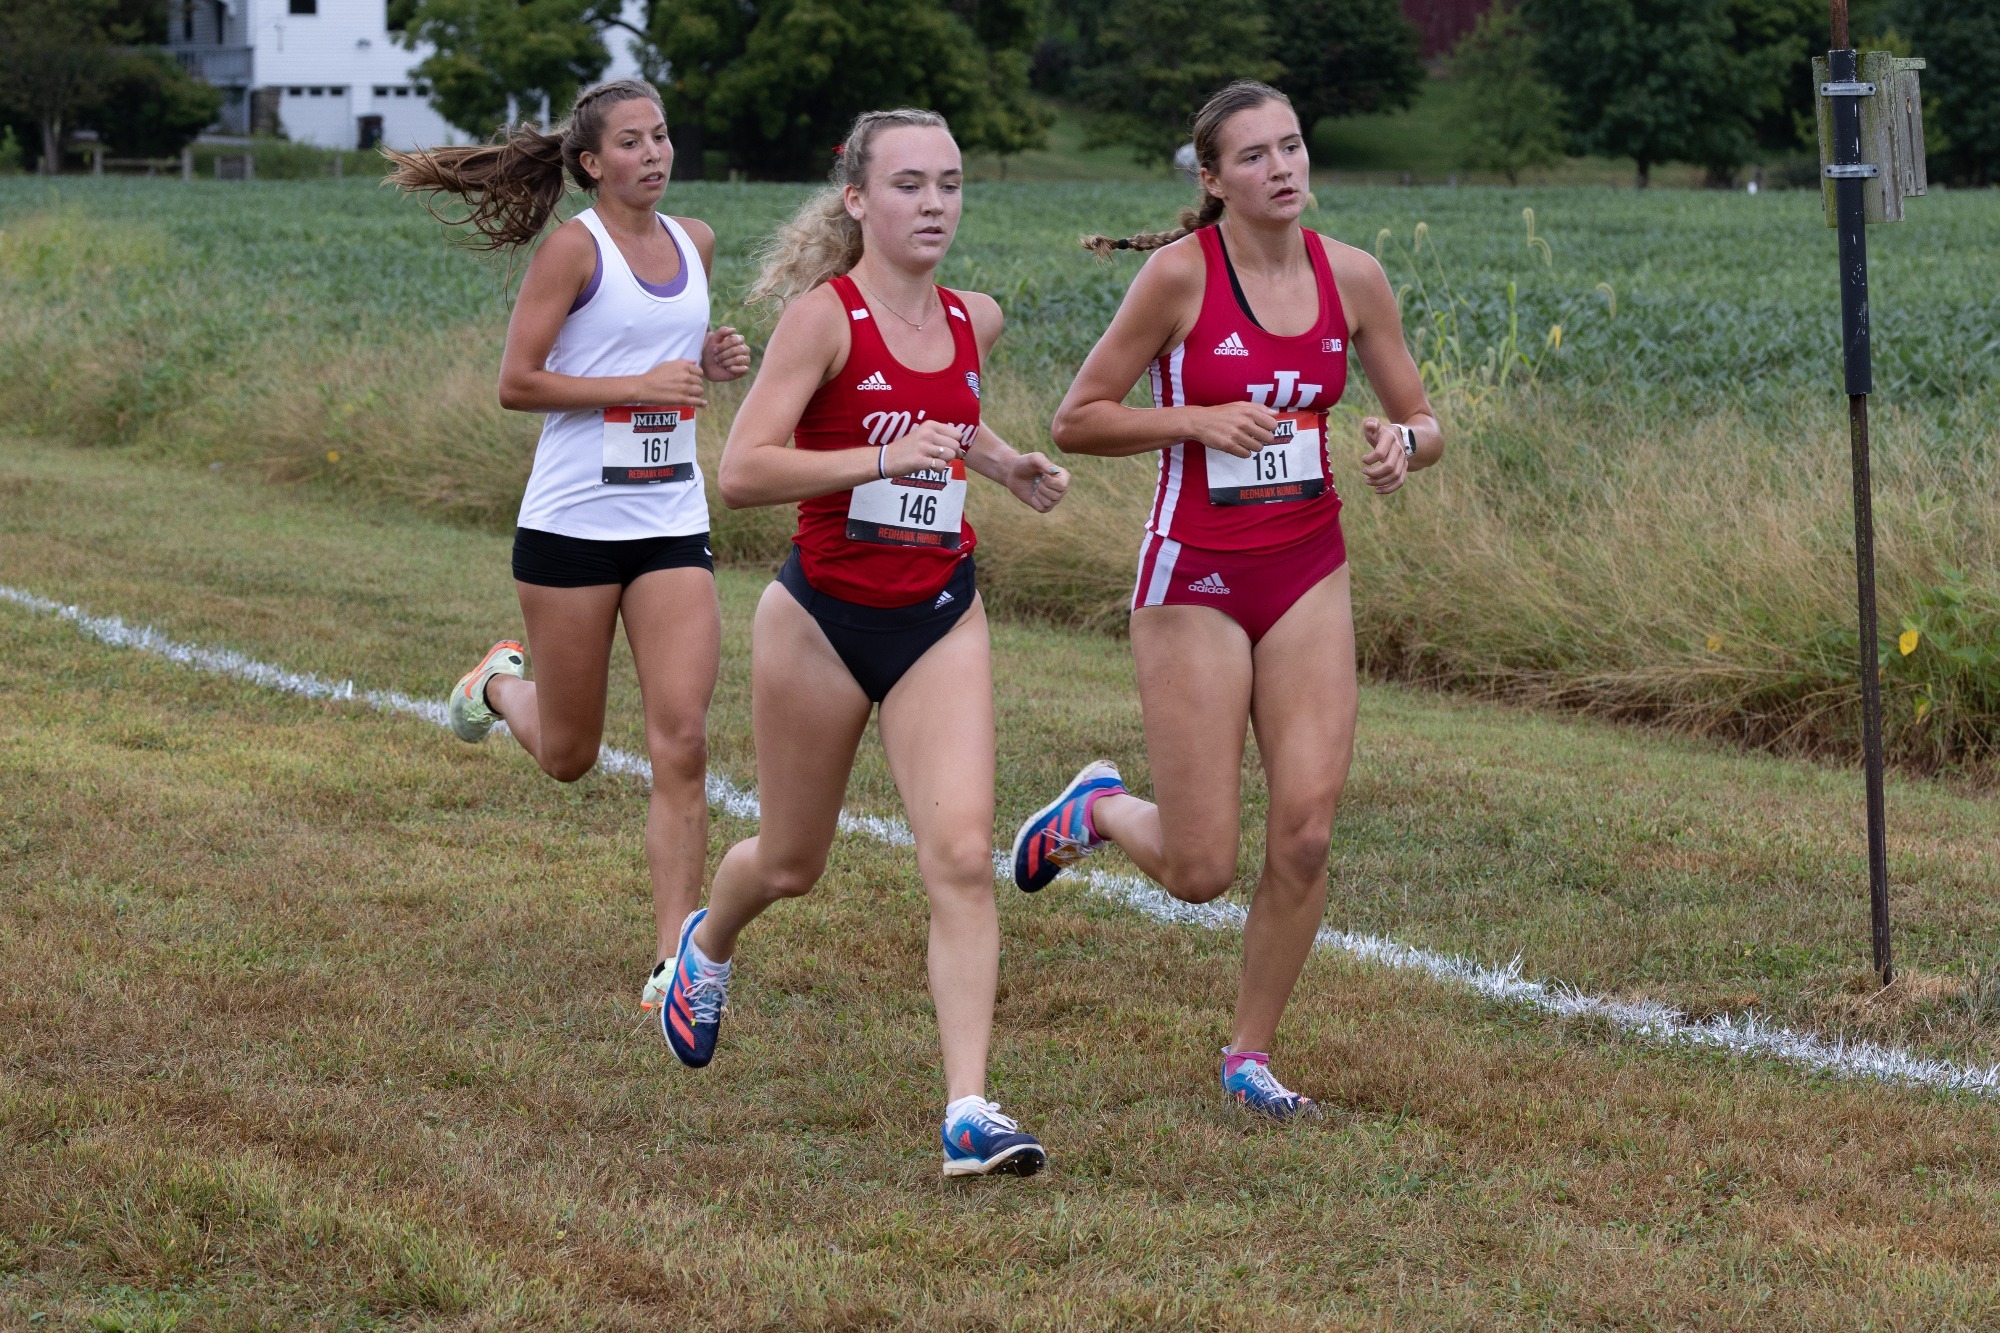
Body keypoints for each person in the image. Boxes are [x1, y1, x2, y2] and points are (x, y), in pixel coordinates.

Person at [1011, 81, 1443, 1120]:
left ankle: (1247, 1053)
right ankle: (1100, 809)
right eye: (1252, 157)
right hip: (1192, 576)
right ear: (1211, 180)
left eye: (1290, 147)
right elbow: (1077, 419)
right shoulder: (1175, 279)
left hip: (1306, 569)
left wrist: (1402, 445)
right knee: (1201, 866)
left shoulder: (1353, 278)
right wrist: (1196, 421)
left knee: (1302, 833)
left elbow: (1422, 417)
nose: (1281, 168)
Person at [657, 108, 1070, 1178]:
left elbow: (947, 415)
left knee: (958, 857)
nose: (933, 204)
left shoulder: (974, 317)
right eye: (907, 186)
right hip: (819, 622)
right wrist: (876, 468)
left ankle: (968, 1108)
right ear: (856, 200)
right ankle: (704, 946)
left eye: (949, 183)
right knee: (791, 861)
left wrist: (1006, 462)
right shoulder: (821, 320)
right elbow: (742, 471)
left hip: (938, 613)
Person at [386, 79, 751, 1021]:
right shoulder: (570, 250)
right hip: (572, 527)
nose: (655, 154)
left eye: (663, 135)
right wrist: (638, 383)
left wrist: (708, 361)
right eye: (632, 142)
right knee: (569, 754)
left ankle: (676, 961)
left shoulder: (696, 242)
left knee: (683, 738)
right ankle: (499, 686)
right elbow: (518, 381)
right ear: (592, 163)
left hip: (670, 521)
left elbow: (666, 347)